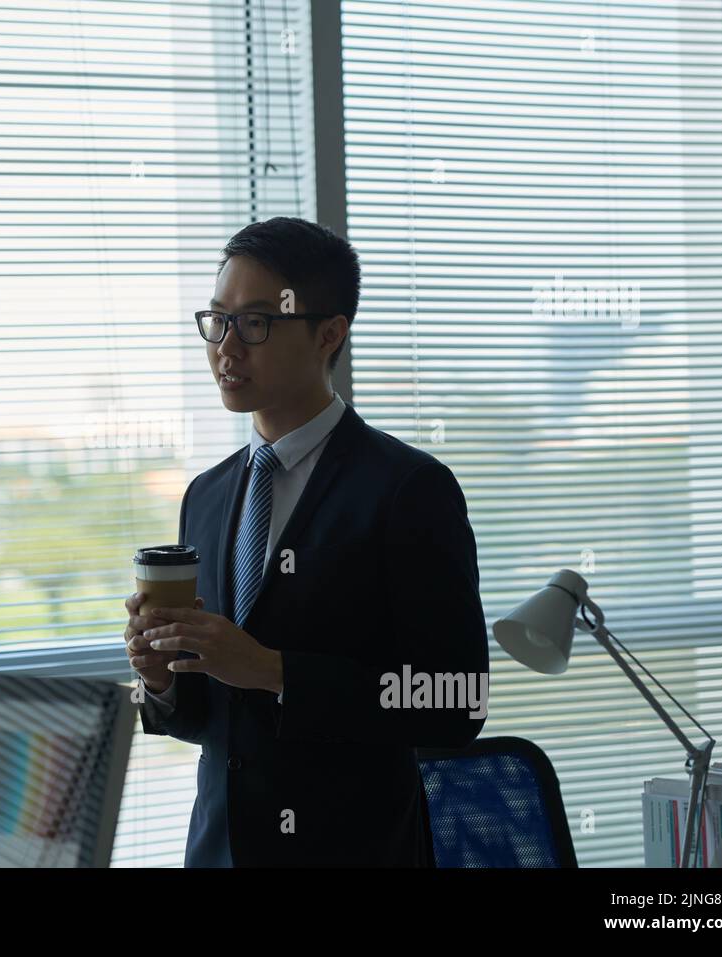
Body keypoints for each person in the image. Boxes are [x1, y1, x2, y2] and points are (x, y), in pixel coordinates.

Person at [124, 217, 489, 866]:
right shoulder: (205, 495)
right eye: (218, 318)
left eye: (256, 322)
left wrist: (273, 669)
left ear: (330, 332)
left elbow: (454, 698)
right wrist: (163, 682)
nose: (226, 347)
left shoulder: (407, 489)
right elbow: (220, 723)